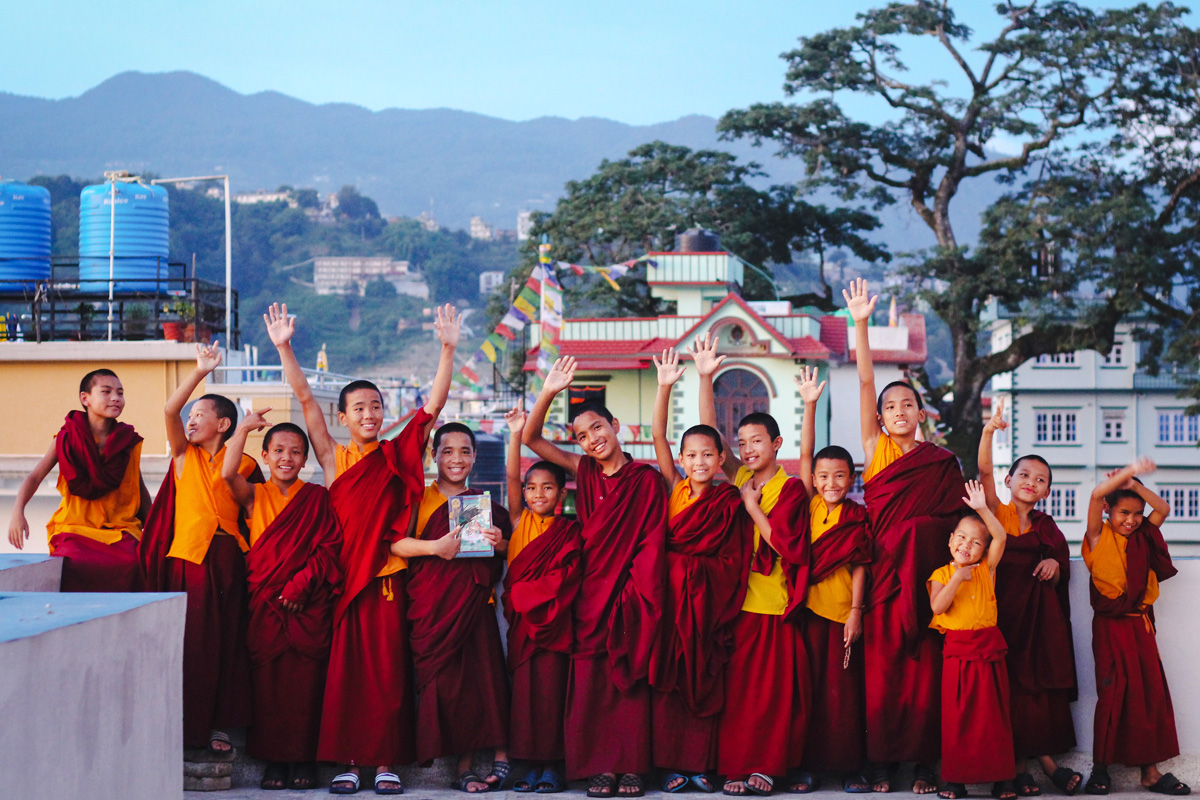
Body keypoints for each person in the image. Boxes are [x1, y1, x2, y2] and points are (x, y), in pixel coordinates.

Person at [265, 301, 460, 795]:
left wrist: (447, 349)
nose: (369, 414)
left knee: (390, 675)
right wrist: (284, 346)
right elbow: (305, 398)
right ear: (344, 416)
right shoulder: (334, 458)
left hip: (389, 581)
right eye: (359, 408)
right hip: (343, 582)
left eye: (376, 406)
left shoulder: (397, 454)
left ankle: (387, 762)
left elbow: (432, 408)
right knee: (346, 676)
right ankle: (351, 762)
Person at [524, 356, 668, 799]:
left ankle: (631, 768)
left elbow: (652, 540)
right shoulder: (582, 471)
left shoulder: (645, 478)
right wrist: (548, 390)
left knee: (629, 684)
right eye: (582, 437)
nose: (591, 441)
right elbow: (531, 438)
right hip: (590, 596)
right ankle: (599, 767)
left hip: (632, 593)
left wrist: (635, 589)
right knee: (590, 686)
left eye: (596, 429)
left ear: (615, 425)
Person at [844, 279, 966, 794]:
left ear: (921, 415)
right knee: (881, 675)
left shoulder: (940, 462)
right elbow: (867, 384)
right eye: (890, 407)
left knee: (923, 673)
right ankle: (882, 763)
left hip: (925, 580)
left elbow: (959, 523)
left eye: (906, 406)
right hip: (881, 578)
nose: (897, 411)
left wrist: (923, 534)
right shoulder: (875, 450)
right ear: (880, 417)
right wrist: (862, 325)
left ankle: (921, 763)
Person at [693, 334, 812, 797]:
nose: (746, 449)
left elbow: (783, 544)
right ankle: (738, 767)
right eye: (742, 443)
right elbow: (707, 437)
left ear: (775, 443)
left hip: (773, 602)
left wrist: (752, 507)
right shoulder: (740, 475)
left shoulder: (790, 488)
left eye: (756, 441)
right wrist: (705, 377)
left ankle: (767, 766)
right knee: (741, 695)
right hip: (737, 600)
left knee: (770, 695)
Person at [139, 342, 263, 755]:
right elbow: (169, 412)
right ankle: (185, 722)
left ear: (224, 424)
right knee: (191, 642)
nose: (190, 421)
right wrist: (199, 371)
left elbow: (255, 513)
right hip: (188, 558)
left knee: (228, 641)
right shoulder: (182, 456)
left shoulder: (244, 464)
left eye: (200, 416)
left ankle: (219, 725)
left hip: (229, 558)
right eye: (191, 417)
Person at [222, 414, 343, 791]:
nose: (286, 458)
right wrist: (241, 429)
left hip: (305, 603)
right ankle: (274, 761)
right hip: (266, 605)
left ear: (305, 460)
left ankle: (304, 758)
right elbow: (228, 475)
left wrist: (300, 585)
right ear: (265, 455)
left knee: (307, 686)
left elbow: (329, 549)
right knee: (268, 687)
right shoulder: (255, 494)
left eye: (295, 452)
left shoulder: (317, 497)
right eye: (278, 451)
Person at [649, 347, 751, 794]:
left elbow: (734, 557)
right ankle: (672, 765)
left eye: (708, 455)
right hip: (673, 601)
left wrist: (707, 378)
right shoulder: (674, 486)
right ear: (684, 460)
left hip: (710, 602)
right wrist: (666, 385)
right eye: (692, 455)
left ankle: (700, 765)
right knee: (673, 679)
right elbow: (657, 437)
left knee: (707, 677)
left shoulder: (730, 496)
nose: (700, 462)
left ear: (719, 457)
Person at [977, 400, 1080, 796]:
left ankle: (1024, 769)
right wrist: (988, 431)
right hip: (1000, 615)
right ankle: (1044, 767)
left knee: (1032, 694)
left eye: (1040, 480)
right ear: (1008, 479)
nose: (1031, 483)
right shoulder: (996, 513)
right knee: (1007, 691)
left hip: (1037, 625)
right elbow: (983, 470)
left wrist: (1055, 564)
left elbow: (1061, 560)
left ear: (1048, 491)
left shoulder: (1046, 525)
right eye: (1024, 474)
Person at [406, 421, 512, 792]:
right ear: (434, 455)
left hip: (474, 605)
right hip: (435, 607)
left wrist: (499, 543)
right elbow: (395, 545)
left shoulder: (487, 506)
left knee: (488, 681)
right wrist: (434, 547)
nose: (456, 459)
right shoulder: (417, 499)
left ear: (475, 456)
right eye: (447, 451)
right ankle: (463, 766)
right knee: (449, 687)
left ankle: (502, 757)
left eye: (464, 451)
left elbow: (510, 551)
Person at [1081, 459, 1188, 797]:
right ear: (1108, 512)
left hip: (1140, 627)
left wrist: (1136, 488)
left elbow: (1163, 507)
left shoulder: (1143, 535)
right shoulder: (1097, 536)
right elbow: (1097, 495)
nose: (1130, 520)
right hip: (1111, 629)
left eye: (1136, 514)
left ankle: (1151, 773)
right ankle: (1100, 769)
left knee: (1148, 696)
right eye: (1123, 512)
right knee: (1112, 695)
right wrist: (1124, 476)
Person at [792, 367, 871, 794]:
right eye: (823, 477)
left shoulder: (856, 515)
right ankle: (806, 767)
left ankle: (849, 768)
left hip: (843, 615)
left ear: (852, 478)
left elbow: (860, 564)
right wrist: (809, 405)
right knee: (809, 694)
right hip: (807, 613)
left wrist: (856, 614)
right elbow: (804, 458)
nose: (830, 483)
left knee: (844, 697)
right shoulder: (806, 507)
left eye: (839, 476)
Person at [501, 405, 583, 795]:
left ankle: (553, 765)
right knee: (523, 699)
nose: (537, 494)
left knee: (552, 697)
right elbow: (511, 477)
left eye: (547, 487)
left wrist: (523, 595)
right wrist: (516, 433)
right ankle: (527, 764)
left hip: (552, 625)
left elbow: (567, 579)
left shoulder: (570, 532)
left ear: (562, 492)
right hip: (522, 630)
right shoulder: (518, 521)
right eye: (532, 488)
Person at [8, 368, 150, 592]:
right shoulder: (66, 438)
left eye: (120, 393)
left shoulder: (127, 442)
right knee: (71, 561)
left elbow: (138, 490)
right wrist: (18, 512)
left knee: (136, 563)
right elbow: (35, 477)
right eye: (106, 391)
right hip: (76, 527)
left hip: (120, 527)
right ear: (86, 398)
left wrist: (154, 531)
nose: (115, 398)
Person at [927, 481, 1015, 800]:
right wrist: (956, 578)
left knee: (994, 719)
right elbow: (938, 607)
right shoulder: (940, 574)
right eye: (961, 537)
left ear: (983, 549)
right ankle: (955, 781)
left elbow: (1001, 536)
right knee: (958, 719)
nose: (967, 545)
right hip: (959, 658)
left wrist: (981, 509)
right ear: (951, 540)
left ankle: (1002, 780)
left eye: (977, 542)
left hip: (989, 653)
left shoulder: (987, 569)